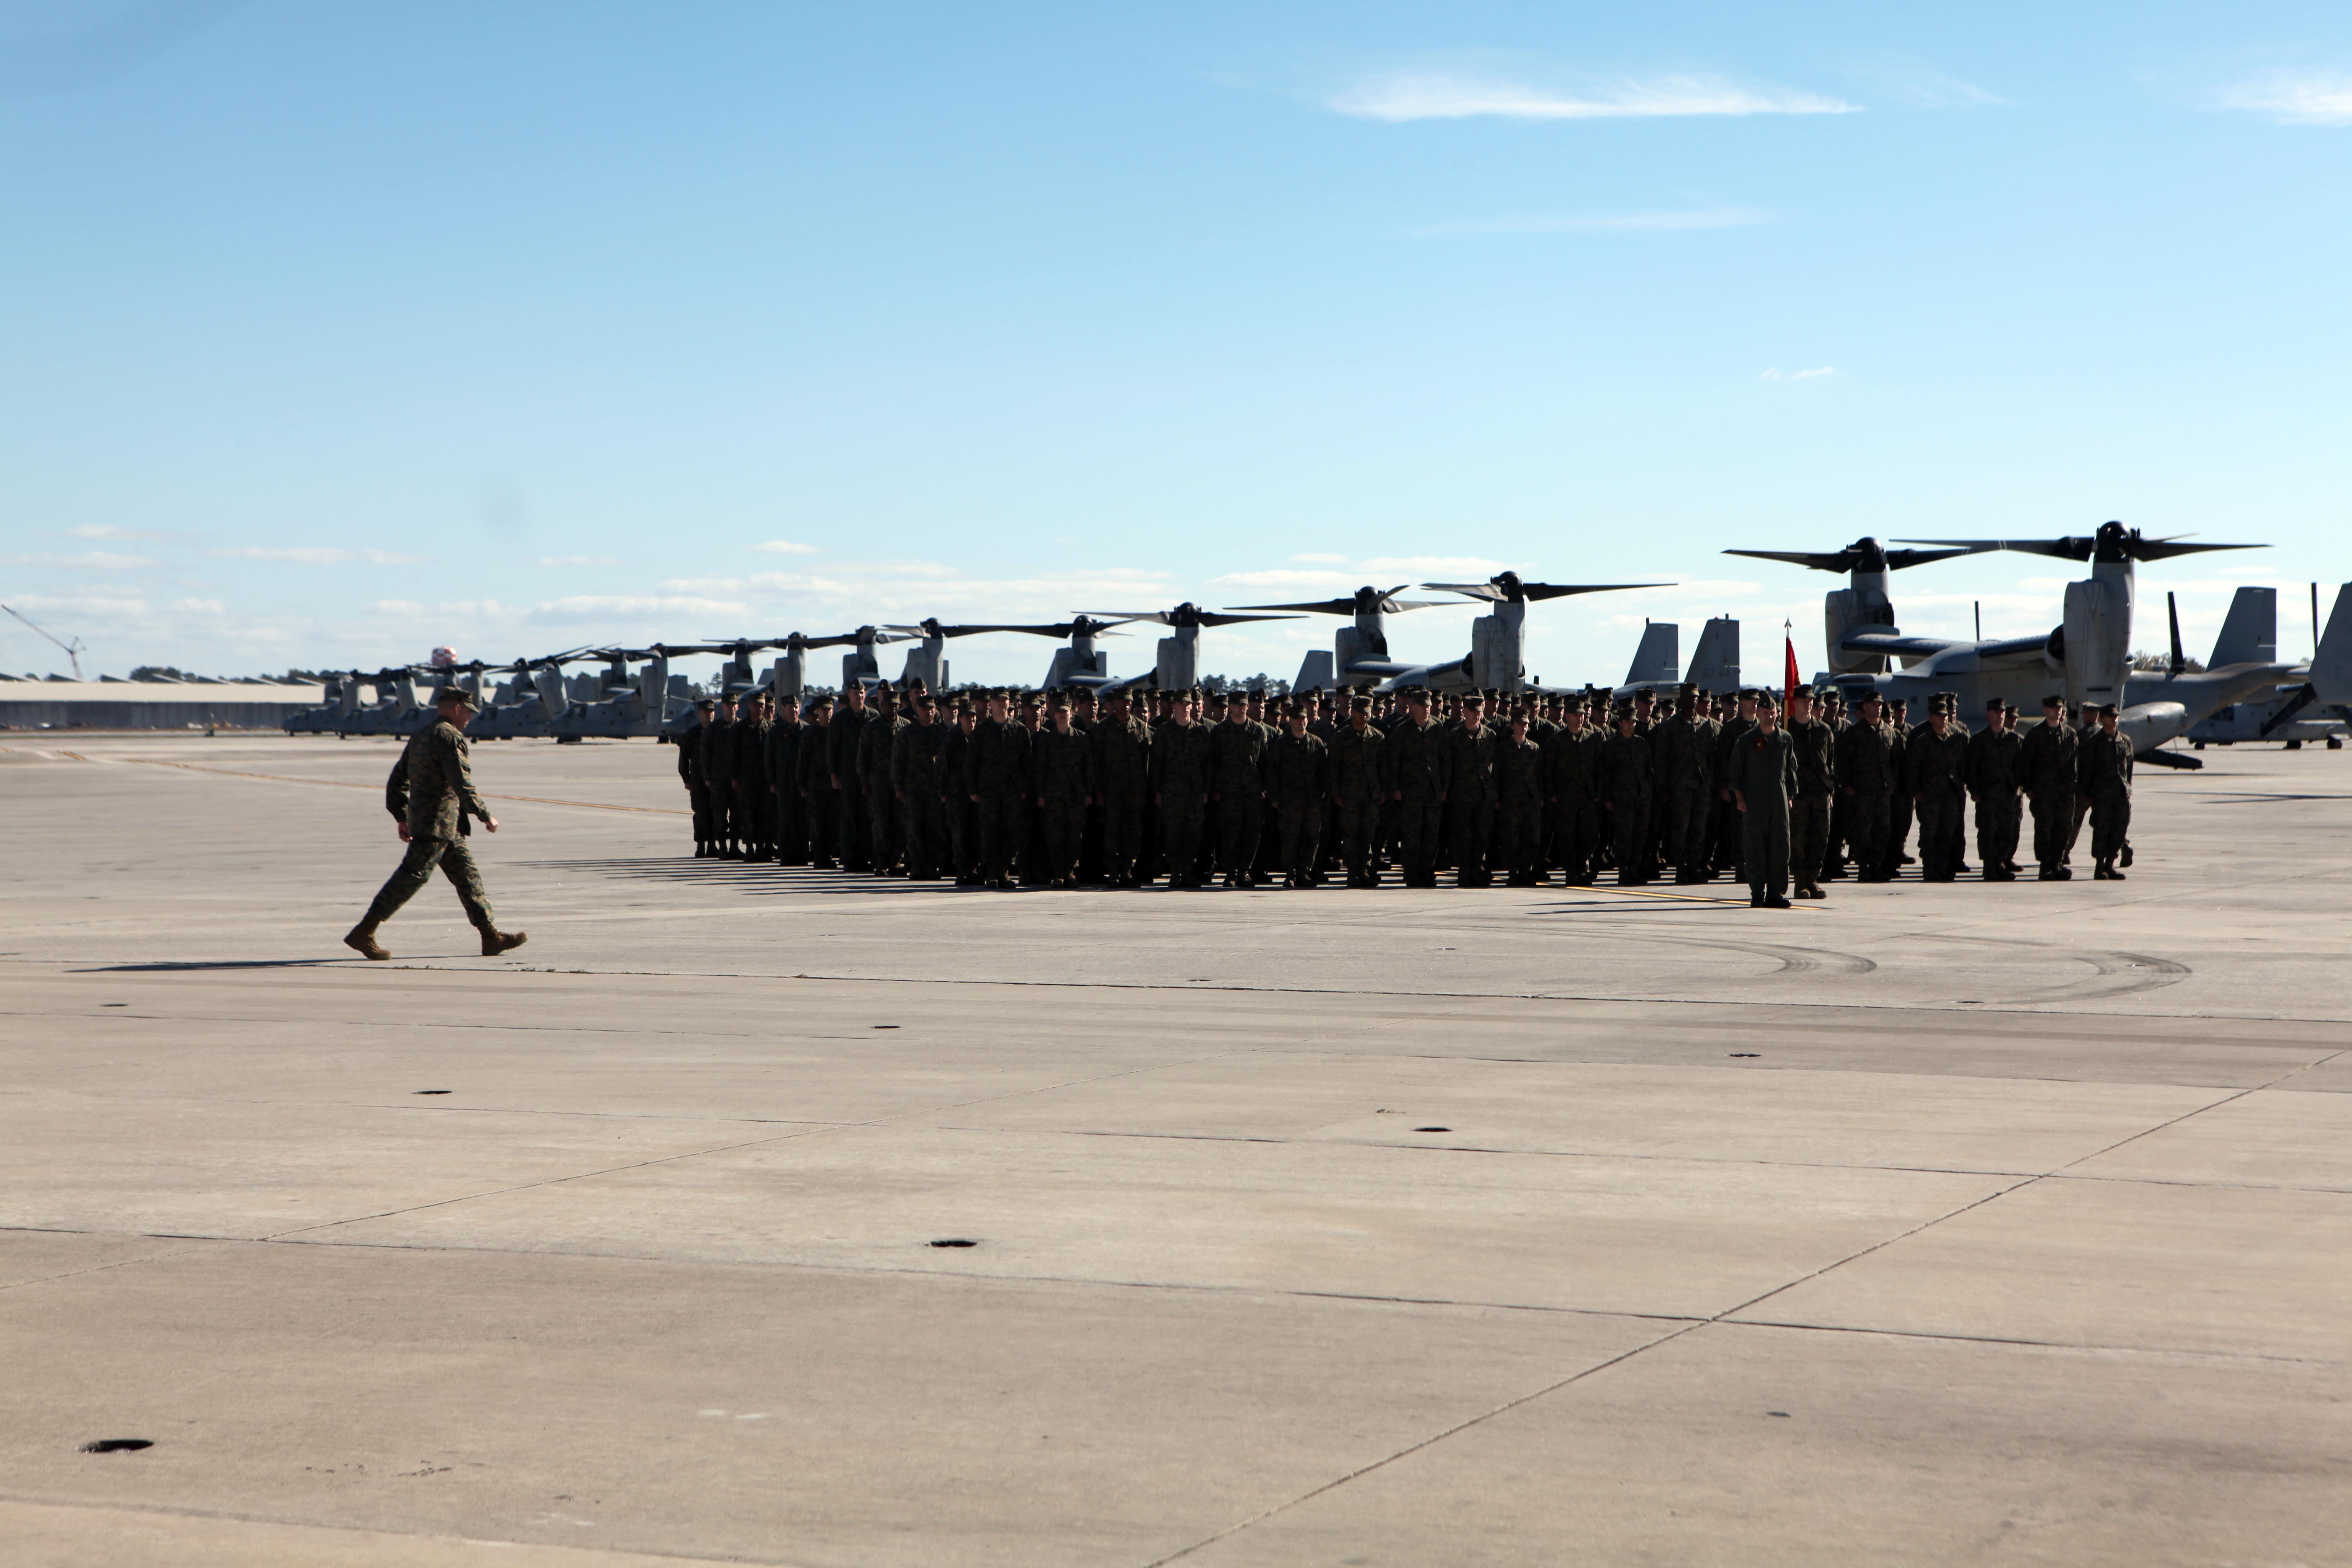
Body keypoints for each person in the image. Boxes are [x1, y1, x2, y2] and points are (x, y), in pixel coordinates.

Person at [344, 685, 526, 959]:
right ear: (456, 708)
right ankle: (365, 931)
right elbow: (461, 781)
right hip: (436, 824)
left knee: (469, 880)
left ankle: (491, 936)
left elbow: (397, 780)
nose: (469, 717)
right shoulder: (449, 736)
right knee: (410, 878)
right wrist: (483, 814)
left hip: (444, 826)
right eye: (467, 711)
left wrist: (402, 816)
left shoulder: (421, 735)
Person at [1725, 693, 1797, 908]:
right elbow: (1736, 773)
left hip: (1779, 801)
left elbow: (1791, 770)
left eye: (1773, 713)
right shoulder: (1746, 740)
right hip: (1755, 802)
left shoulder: (1785, 738)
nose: (1770, 717)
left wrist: (1791, 796)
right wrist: (1739, 798)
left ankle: (1776, 893)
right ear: (1758, 714)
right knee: (1755, 848)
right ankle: (1758, 893)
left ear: (1778, 713)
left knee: (1781, 847)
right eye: (1765, 713)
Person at [1263, 701, 1332, 888]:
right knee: (1290, 838)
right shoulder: (1280, 745)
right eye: (1297, 719)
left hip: (1312, 801)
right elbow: (1272, 773)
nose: (1302, 722)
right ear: (1290, 721)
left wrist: (1321, 795)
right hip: (1289, 801)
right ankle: (1290, 874)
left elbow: (1324, 773)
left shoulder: (1316, 744)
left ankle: (1304, 872)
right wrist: (1275, 798)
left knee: (1311, 838)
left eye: (1304, 718)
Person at [1150, 690, 1214, 888]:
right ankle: (1175, 873)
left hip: (1194, 792)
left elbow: (1207, 764)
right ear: (1174, 706)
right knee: (1173, 833)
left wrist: (1205, 790)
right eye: (1182, 704)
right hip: (1171, 791)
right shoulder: (1164, 731)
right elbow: (1157, 763)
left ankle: (1187, 872)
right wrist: (1157, 791)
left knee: (1193, 833)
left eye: (1189, 704)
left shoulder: (1201, 732)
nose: (1186, 707)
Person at [1031, 694, 1095, 888]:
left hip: (1076, 795)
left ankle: (1070, 872)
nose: (1062, 715)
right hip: (1053, 796)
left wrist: (1088, 793)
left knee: (1074, 836)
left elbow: (1088, 768)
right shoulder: (1046, 741)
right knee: (1055, 836)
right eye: (1058, 712)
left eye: (1065, 712)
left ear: (1071, 713)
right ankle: (1059, 874)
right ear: (1054, 715)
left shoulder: (1081, 739)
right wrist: (1041, 795)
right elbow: (1040, 770)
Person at [1328, 693, 1387, 887]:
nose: (1364, 716)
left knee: (1368, 835)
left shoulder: (1377, 737)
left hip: (1371, 795)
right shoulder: (1341, 737)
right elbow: (1334, 767)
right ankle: (1352, 874)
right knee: (1351, 835)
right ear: (1352, 712)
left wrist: (1382, 792)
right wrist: (1336, 793)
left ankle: (1364, 870)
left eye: (1367, 713)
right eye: (1361, 713)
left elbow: (1383, 768)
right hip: (1349, 795)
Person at [2020, 693, 2080, 880]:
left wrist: (2073, 786)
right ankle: (2046, 866)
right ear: (2045, 710)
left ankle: (2058, 863)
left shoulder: (2070, 734)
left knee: (2064, 828)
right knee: (2045, 829)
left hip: (2065, 793)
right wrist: (2028, 788)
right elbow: (2026, 763)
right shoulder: (2036, 734)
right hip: (2043, 792)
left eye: (2060, 708)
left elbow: (2074, 764)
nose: (2058, 710)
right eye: (2054, 708)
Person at [1785, 686, 1836, 899]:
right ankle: (1800, 883)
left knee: (1820, 837)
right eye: (1804, 700)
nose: (1809, 704)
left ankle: (1813, 880)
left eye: (1811, 701)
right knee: (1798, 838)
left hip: (1820, 793)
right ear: (1795, 702)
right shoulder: (1787, 730)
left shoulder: (1823, 730)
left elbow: (1830, 761)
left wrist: (1830, 791)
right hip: (1798, 794)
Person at [1966, 699, 2024, 882]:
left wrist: (2018, 786)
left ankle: (1999, 863)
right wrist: (1974, 790)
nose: (2000, 715)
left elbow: (2021, 766)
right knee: (1987, 832)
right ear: (1988, 715)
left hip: (2008, 794)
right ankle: (1989, 867)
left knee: (2007, 833)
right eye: (1996, 712)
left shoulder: (2013, 739)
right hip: (1987, 795)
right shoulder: (1979, 740)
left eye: (2002, 712)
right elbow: (1971, 768)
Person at [2079, 702, 2135, 879]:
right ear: (2102, 719)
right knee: (2102, 830)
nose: (2115, 719)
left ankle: (2110, 865)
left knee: (2119, 830)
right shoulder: (2094, 742)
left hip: (2120, 794)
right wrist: (2087, 795)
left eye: (2116, 716)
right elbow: (2086, 770)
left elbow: (2129, 768)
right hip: (2102, 795)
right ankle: (2100, 867)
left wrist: (2127, 788)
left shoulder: (2125, 740)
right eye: (2111, 716)